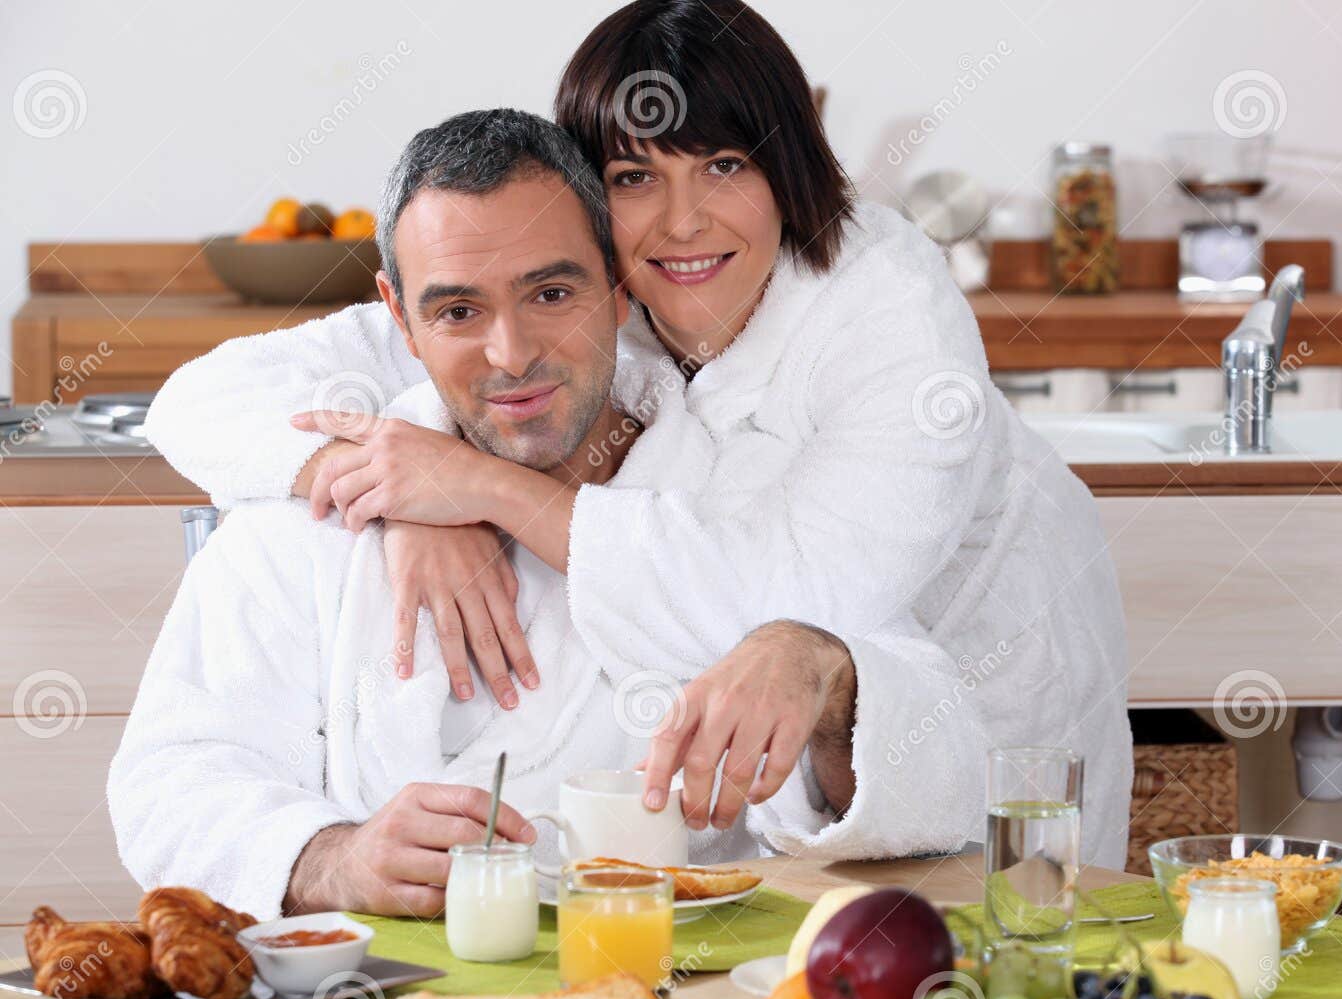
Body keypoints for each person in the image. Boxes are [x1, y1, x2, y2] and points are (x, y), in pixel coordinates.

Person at [145, 0, 1133, 866]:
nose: (681, 221)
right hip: (777, 750)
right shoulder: (532, 285)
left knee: (1033, 963)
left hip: (976, 676)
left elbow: (804, 614)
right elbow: (203, 396)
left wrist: (482, 489)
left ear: (788, 169)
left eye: (725, 164)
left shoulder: (889, 314)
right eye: (632, 175)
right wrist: (393, 492)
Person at [109, 110, 991, 921]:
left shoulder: (741, 501)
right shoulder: (303, 527)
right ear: (398, 320)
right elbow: (173, 776)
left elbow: (945, 759)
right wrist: (332, 858)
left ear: (618, 287)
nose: (513, 354)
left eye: (552, 294)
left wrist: (827, 672)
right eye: (459, 310)